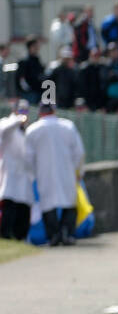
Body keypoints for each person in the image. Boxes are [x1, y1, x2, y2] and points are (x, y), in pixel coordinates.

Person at [24, 103, 85, 246]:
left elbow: (28, 158)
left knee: (48, 204)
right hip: (67, 171)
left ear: (39, 112)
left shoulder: (32, 130)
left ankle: (54, 235)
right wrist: (79, 171)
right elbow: (79, 152)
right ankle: (67, 233)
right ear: (54, 111)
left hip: (44, 173)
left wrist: (33, 174)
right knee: (69, 202)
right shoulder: (68, 126)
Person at [0, 103, 33, 240]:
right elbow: (3, 130)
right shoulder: (7, 123)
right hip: (10, 173)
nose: (23, 113)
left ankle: (20, 236)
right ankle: (5, 234)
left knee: (23, 209)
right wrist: (19, 119)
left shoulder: (25, 131)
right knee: (9, 206)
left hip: (23, 175)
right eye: (21, 110)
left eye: (25, 111)